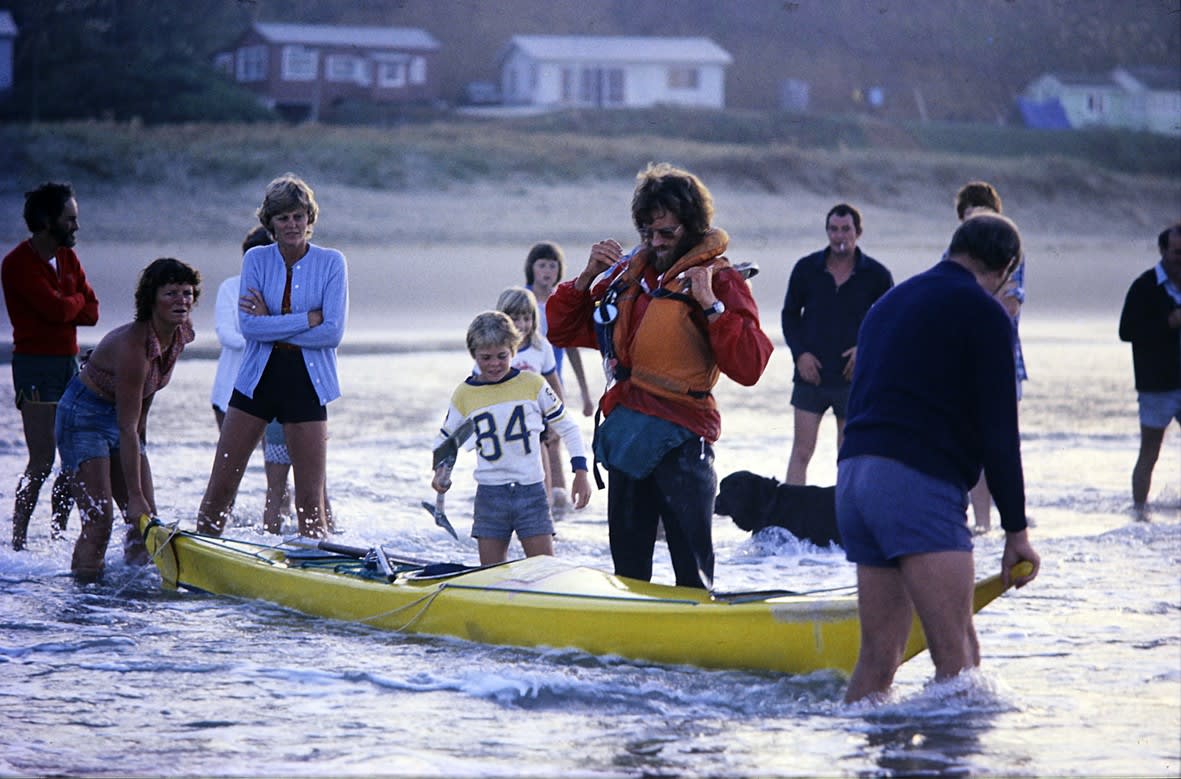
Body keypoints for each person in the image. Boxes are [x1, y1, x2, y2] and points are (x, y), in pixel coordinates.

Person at [835, 213, 1040, 703]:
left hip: (855, 479)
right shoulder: (985, 313)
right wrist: (1016, 531)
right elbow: (1000, 431)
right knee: (959, 660)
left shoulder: (889, 303)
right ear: (1005, 269)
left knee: (879, 659)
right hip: (913, 484)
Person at [546, 162, 774, 589]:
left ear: (691, 227)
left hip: (684, 441)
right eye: (648, 233)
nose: (655, 243)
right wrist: (587, 277)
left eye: (666, 234)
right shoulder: (626, 277)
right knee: (629, 571)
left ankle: (697, 641)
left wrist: (710, 305)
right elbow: (561, 329)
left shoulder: (720, 281)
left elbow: (751, 365)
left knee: (693, 571)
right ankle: (631, 652)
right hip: (629, 436)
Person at [196, 173, 348, 539]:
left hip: (307, 382)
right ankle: (199, 554)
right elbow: (250, 328)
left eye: (298, 216)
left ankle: (316, 574)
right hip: (256, 380)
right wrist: (305, 320)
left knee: (310, 502)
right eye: (283, 218)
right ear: (271, 223)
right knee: (221, 488)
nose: (292, 225)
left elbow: (332, 333)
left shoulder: (332, 262)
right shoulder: (256, 260)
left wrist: (273, 321)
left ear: (309, 219)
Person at [55, 258, 199, 582]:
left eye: (187, 293)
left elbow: (147, 397)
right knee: (100, 520)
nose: (182, 301)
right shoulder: (134, 347)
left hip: (125, 419)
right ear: (151, 299)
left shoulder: (180, 334)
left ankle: (136, 589)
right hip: (83, 417)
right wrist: (133, 494)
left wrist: (139, 485)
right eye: (171, 293)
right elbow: (126, 426)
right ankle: (83, 602)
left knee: (145, 521)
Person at [434, 310, 591, 565]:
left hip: (531, 493)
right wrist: (441, 471)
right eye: (485, 357)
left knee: (544, 571)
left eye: (502, 356)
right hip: (489, 496)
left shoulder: (533, 384)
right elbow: (445, 440)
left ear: (514, 351)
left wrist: (581, 473)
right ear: (474, 355)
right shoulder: (465, 393)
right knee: (491, 576)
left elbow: (569, 428)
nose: (494, 363)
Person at [2, 182, 100, 550]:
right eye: (70, 219)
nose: (76, 226)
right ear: (46, 221)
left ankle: (58, 537)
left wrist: (67, 304)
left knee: (71, 458)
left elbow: (91, 311)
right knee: (41, 461)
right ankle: (18, 541)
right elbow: (56, 310)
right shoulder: (16, 264)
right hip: (34, 367)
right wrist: (68, 305)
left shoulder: (68, 257)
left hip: (68, 364)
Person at [781, 203, 893, 486]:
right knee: (801, 451)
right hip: (811, 375)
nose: (839, 236)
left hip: (852, 377)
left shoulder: (876, 275)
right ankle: (790, 521)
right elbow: (789, 315)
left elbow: (891, 323)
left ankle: (846, 520)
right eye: (833, 229)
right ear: (827, 231)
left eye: (846, 229)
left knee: (848, 454)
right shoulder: (807, 269)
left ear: (858, 232)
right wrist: (800, 354)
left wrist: (865, 351)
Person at [955, 181, 1027, 532]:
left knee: (996, 441)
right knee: (967, 442)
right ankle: (978, 522)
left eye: (979, 217)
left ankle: (997, 522)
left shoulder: (1008, 252)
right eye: (968, 218)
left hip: (1000, 359)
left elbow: (1010, 305)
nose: (973, 225)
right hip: (960, 360)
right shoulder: (952, 255)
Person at [525, 241, 595, 508]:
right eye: (541, 265)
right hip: (523, 384)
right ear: (531, 268)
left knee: (554, 440)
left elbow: (572, 348)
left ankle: (560, 504)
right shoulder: (522, 300)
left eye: (552, 266)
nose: (546, 271)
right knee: (531, 442)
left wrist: (586, 395)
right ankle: (538, 500)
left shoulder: (561, 302)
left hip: (554, 386)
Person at [1118, 222, 1181, 511]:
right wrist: (1167, 324)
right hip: (1157, 384)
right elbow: (1126, 330)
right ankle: (1139, 511)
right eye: (1177, 253)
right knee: (1149, 452)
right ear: (1163, 251)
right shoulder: (1145, 287)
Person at [492, 286, 566, 503]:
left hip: (535, 426)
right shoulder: (493, 349)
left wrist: (556, 421)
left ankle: (547, 519)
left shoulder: (541, 347)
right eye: (515, 318)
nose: (522, 325)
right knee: (505, 481)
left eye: (526, 318)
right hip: (503, 428)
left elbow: (554, 385)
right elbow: (477, 386)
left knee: (542, 480)